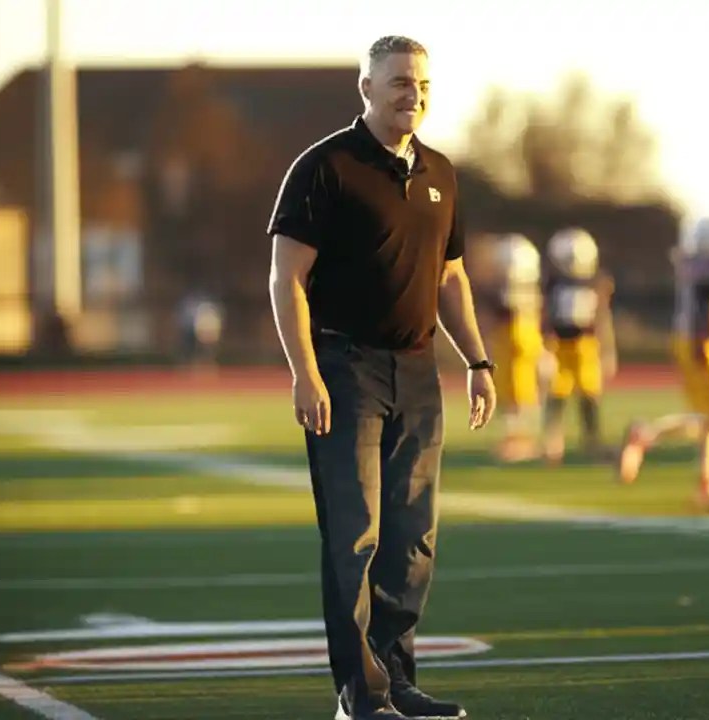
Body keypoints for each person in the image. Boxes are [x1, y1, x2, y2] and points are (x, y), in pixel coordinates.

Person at [267, 35, 492, 720]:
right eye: (397, 82)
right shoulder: (324, 168)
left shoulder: (442, 173)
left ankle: (397, 680)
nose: (412, 94)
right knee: (354, 535)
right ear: (365, 88)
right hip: (345, 369)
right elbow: (286, 277)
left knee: (412, 539)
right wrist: (305, 373)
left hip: (419, 370)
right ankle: (358, 695)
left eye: (421, 83)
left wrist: (479, 361)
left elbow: (451, 278)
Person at [617, 216, 709, 513]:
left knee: (705, 419)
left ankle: (706, 480)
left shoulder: (693, 266)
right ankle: (654, 439)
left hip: (687, 341)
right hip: (704, 343)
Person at [540, 227, 618, 463]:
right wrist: (542, 348)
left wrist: (608, 351)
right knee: (557, 393)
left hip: (586, 344)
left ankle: (592, 441)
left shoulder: (597, 282)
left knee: (589, 394)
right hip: (558, 344)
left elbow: (602, 317)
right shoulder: (551, 283)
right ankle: (552, 443)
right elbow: (544, 316)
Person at [487, 233, 547, 462]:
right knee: (513, 395)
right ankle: (516, 440)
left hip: (519, 344)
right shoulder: (518, 291)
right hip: (516, 343)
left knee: (521, 394)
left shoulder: (519, 294)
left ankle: (522, 442)